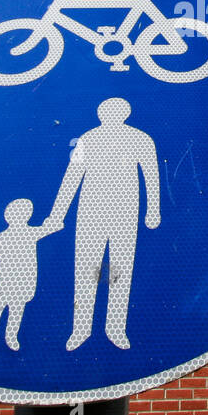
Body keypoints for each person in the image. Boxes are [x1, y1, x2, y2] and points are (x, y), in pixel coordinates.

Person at [44, 98, 160, 350]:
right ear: (100, 114)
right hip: (91, 211)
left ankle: (116, 328)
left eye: (116, 111)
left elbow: (151, 175)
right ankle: (80, 329)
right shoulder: (88, 139)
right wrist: (57, 214)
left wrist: (153, 211)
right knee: (86, 269)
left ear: (125, 114)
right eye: (107, 111)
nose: (111, 115)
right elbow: (72, 176)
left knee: (120, 270)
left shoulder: (141, 138)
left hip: (125, 211)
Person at [0, 198, 61, 350]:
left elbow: (46, 230)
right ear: (8, 217)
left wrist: (54, 225)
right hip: (4, 281)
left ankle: (11, 338)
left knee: (16, 311)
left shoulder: (30, 233)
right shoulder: (2, 237)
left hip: (23, 282)